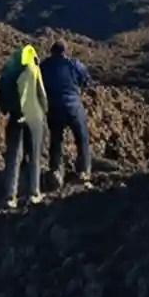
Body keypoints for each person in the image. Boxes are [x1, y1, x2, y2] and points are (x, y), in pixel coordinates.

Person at [0, 44, 49, 207]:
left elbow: (1, 96)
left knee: (14, 158)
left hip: (16, 118)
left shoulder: (9, 73)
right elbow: (42, 95)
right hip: (35, 119)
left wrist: (7, 110)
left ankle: (10, 196)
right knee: (34, 156)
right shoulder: (34, 70)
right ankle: (34, 193)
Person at [40, 40, 93, 188]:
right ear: (65, 52)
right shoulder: (74, 64)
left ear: (52, 52)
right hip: (74, 108)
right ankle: (83, 171)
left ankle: (56, 171)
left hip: (54, 108)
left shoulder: (44, 66)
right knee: (82, 138)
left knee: (56, 141)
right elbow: (86, 81)